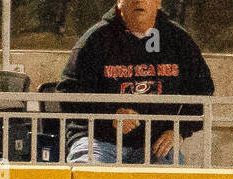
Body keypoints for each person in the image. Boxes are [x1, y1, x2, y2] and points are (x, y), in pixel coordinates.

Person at [58, 0, 215, 165]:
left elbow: (204, 91)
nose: (139, 1)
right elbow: (67, 93)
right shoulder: (95, 39)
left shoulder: (179, 40)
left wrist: (179, 130)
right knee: (88, 174)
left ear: (158, 3)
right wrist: (110, 115)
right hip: (97, 140)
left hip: (154, 144)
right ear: (119, 2)